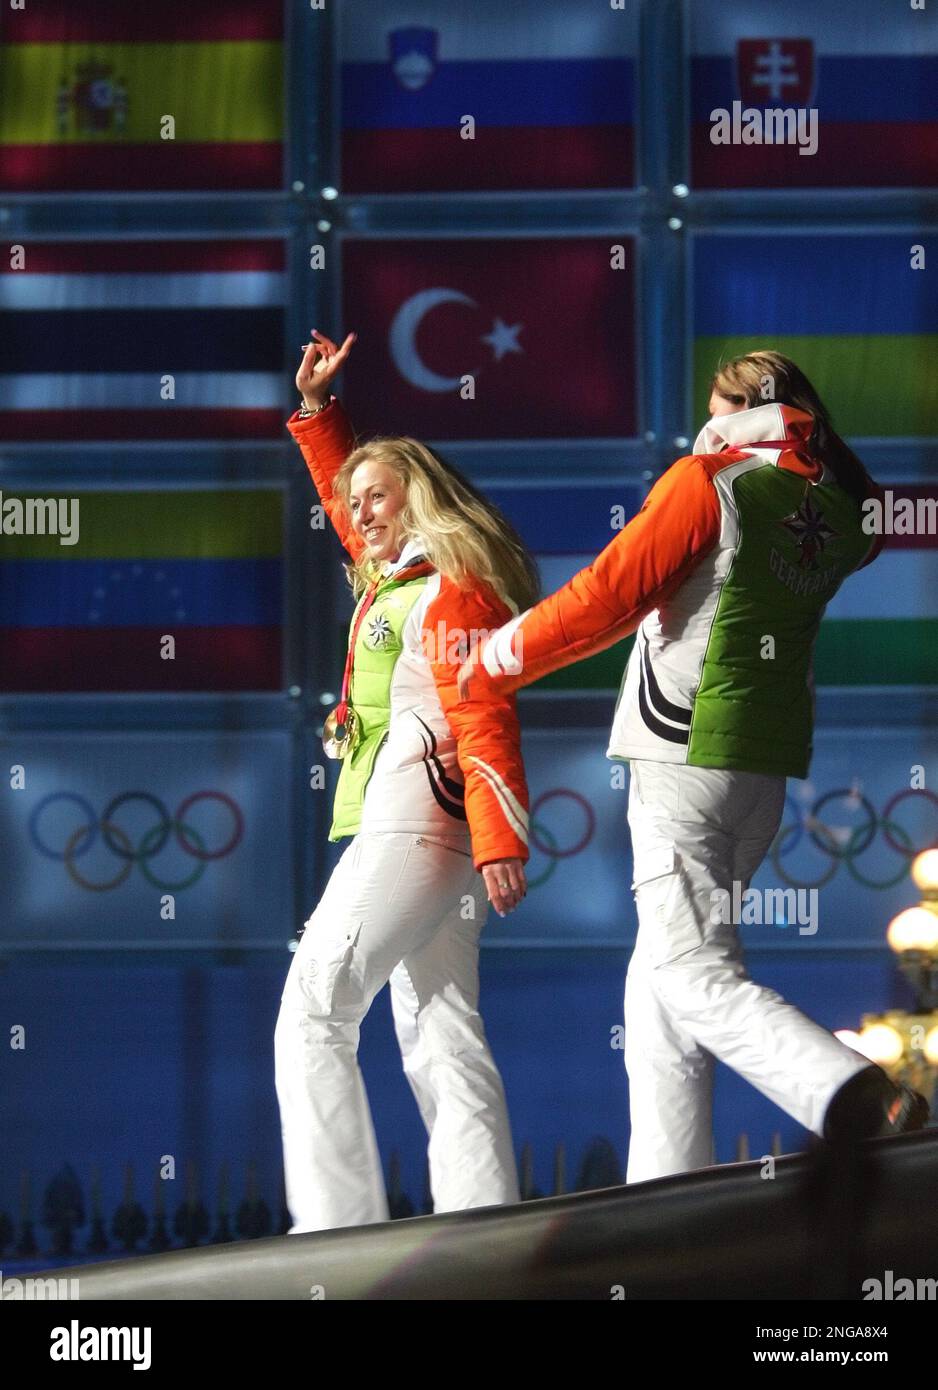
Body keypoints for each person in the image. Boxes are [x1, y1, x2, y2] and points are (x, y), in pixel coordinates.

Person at [458, 349, 929, 1182]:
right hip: (760, 774)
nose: (698, 421)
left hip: (682, 755)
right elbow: (861, 526)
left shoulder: (707, 482)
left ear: (744, 405)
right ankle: (671, 1195)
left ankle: (853, 1094)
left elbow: (606, 594)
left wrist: (497, 655)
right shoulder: (839, 507)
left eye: (713, 404)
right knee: (659, 995)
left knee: (689, 971)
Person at [275, 330, 536, 1231]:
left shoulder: (451, 586)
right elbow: (352, 502)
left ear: (417, 499)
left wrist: (502, 839)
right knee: (441, 1026)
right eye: (356, 503)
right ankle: (482, 1225)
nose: (361, 514)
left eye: (378, 499)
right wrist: (319, 418)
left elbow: (483, 712)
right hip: (425, 829)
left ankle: (335, 1228)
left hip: (419, 826)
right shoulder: (404, 577)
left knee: (313, 1011)